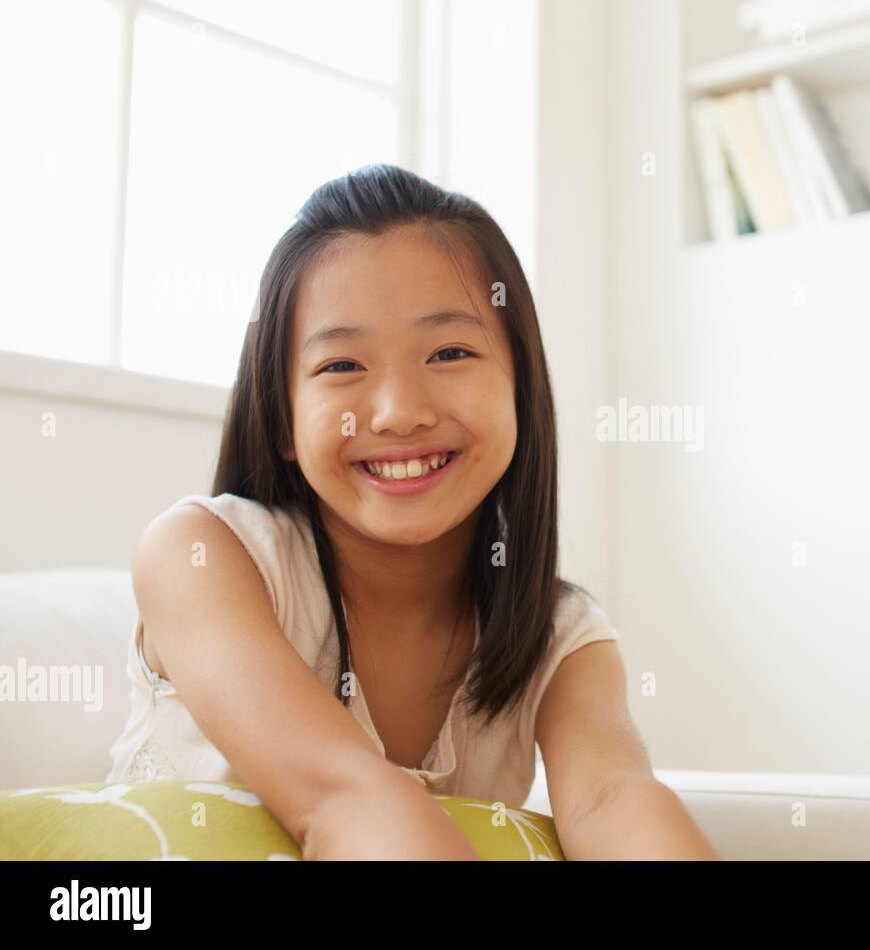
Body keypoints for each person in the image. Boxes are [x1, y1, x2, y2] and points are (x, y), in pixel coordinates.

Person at [105, 164, 718, 860]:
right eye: (342, 366)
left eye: (450, 352)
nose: (400, 412)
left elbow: (613, 800)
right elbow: (345, 802)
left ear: (522, 389)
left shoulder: (561, 643)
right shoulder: (199, 555)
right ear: (282, 417)